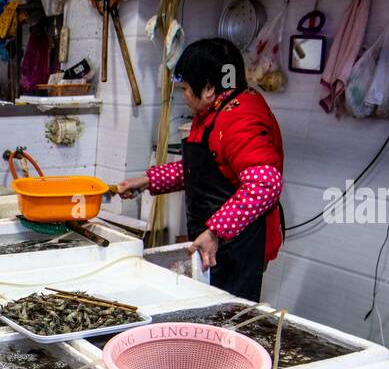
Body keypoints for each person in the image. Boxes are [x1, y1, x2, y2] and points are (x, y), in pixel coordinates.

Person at [117, 38, 284, 301]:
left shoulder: (240, 119)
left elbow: (265, 185)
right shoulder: (213, 112)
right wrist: (148, 181)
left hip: (236, 248)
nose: (183, 96)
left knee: (227, 319)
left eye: (184, 88)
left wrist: (216, 231)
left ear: (208, 88)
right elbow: (201, 170)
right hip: (216, 242)